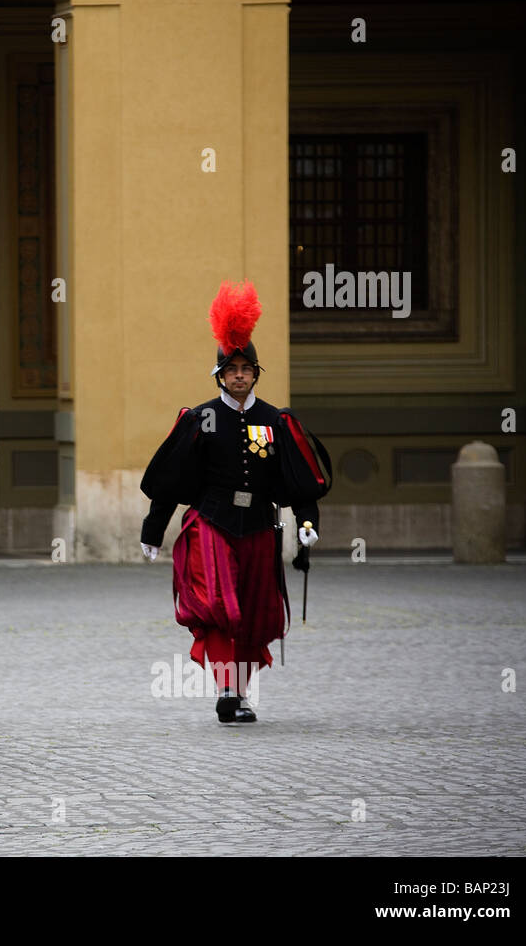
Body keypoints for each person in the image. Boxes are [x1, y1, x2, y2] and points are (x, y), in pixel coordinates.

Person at [139, 280, 332, 723]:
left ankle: (240, 695)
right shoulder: (199, 418)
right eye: (232, 368)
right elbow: (171, 480)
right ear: (220, 375)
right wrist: (154, 531)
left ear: (255, 373)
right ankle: (226, 689)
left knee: (254, 614)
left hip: (261, 528)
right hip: (211, 523)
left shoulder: (276, 420)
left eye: (246, 368)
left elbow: (301, 481)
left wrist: (307, 521)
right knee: (222, 606)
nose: (239, 374)